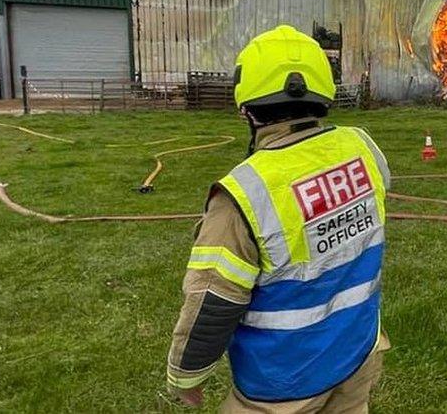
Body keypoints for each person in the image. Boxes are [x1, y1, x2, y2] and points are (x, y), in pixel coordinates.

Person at [166, 25, 391, 412]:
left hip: (283, 383)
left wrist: (186, 376)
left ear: (246, 109)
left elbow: (213, 302)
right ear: (324, 93)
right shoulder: (363, 148)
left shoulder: (242, 197)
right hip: (357, 354)